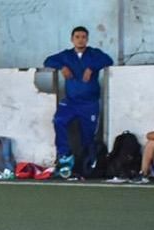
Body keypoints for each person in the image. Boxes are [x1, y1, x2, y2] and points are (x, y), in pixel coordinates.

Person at [43, 26, 114, 179]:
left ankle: (85, 166)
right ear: (72, 39)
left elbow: (108, 60)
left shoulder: (94, 54)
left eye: (83, 37)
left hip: (89, 104)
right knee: (59, 120)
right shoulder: (66, 55)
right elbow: (48, 60)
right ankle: (64, 155)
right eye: (77, 37)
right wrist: (62, 67)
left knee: (88, 136)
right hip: (71, 102)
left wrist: (91, 67)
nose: (80, 39)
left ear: (87, 39)